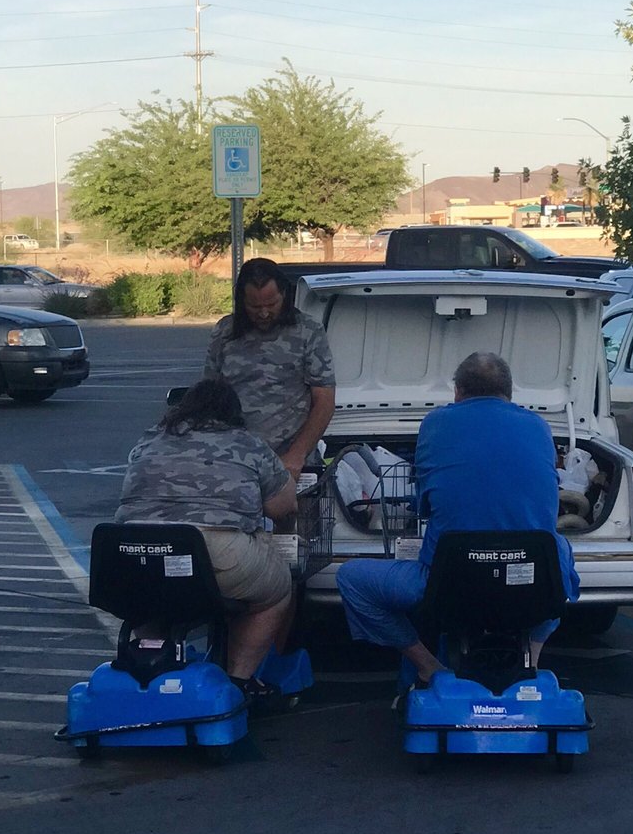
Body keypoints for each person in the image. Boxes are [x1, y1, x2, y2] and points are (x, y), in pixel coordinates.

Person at [336, 352, 580, 686]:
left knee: (352, 579)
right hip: (530, 583)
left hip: (448, 585)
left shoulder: (435, 424)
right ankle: (530, 664)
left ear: (458, 392)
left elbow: (424, 506)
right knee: (561, 557)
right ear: (509, 393)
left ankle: (430, 668)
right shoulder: (538, 426)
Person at [115, 378, 297, 700]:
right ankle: (237, 682)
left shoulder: (148, 440)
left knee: (153, 598)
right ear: (234, 413)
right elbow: (283, 506)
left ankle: (149, 669)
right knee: (278, 589)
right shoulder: (247, 443)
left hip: (132, 555)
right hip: (214, 553)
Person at [204, 257, 335, 480]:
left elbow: (324, 400)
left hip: (291, 463)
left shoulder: (308, 331)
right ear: (241, 301)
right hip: (236, 462)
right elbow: (209, 397)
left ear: (284, 295)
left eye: (271, 305)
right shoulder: (224, 332)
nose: (264, 313)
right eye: (255, 307)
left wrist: (298, 455)